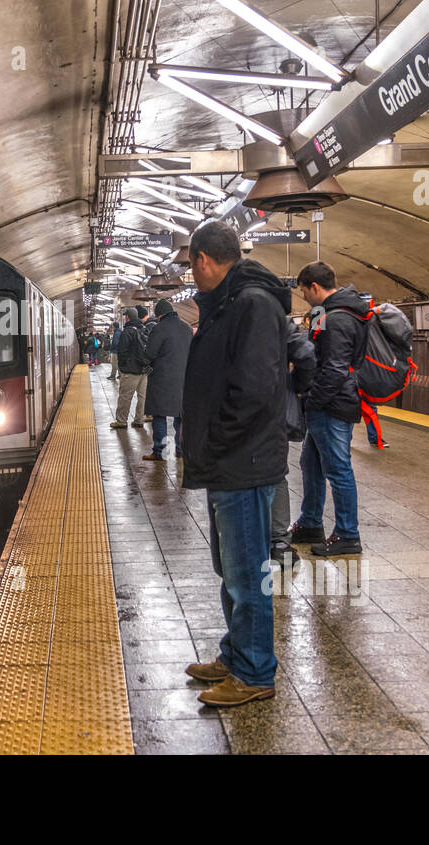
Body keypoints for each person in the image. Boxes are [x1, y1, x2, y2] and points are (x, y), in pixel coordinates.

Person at [179, 220, 290, 708]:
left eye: (191, 265)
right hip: (228, 461)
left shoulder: (252, 304)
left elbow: (252, 387)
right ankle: (237, 653)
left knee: (248, 574)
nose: (191, 275)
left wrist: (218, 438)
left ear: (204, 259)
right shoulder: (231, 301)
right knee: (230, 569)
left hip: (242, 461)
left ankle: (255, 672)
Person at [287, 262, 369, 557]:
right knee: (311, 464)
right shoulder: (329, 315)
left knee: (338, 469)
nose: (304, 298)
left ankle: (348, 534)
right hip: (328, 403)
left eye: (304, 292)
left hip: (333, 405)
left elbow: (334, 368)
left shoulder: (337, 319)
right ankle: (310, 523)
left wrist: (312, 400)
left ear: (315, 287)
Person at [271, 316, 316, 567]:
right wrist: (296, 386)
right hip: (273, 409)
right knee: (276, 473)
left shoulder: (223, 311)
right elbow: (306, 355)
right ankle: (279, 542)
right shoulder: (274, 315)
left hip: (233, 411)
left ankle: (249, 539)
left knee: (238, 473)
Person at [140, 299, 189, 464]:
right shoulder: (187, 328)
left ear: (159, 314)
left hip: (162, 379)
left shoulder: (159, 329)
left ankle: (160, 452)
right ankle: (181, 450)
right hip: (185, 380)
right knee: (181, 417)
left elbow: (149, 354)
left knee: (159, 416)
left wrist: (144, 362)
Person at [110, 308, 149, 429]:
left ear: (127, 317)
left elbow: (122, 351)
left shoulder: (127, 331)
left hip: (131, 370)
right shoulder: (144, 329)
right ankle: (139, 419)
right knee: (142, 396)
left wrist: (123, 367)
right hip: (144, 369)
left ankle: (121, 421)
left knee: (125, 396)